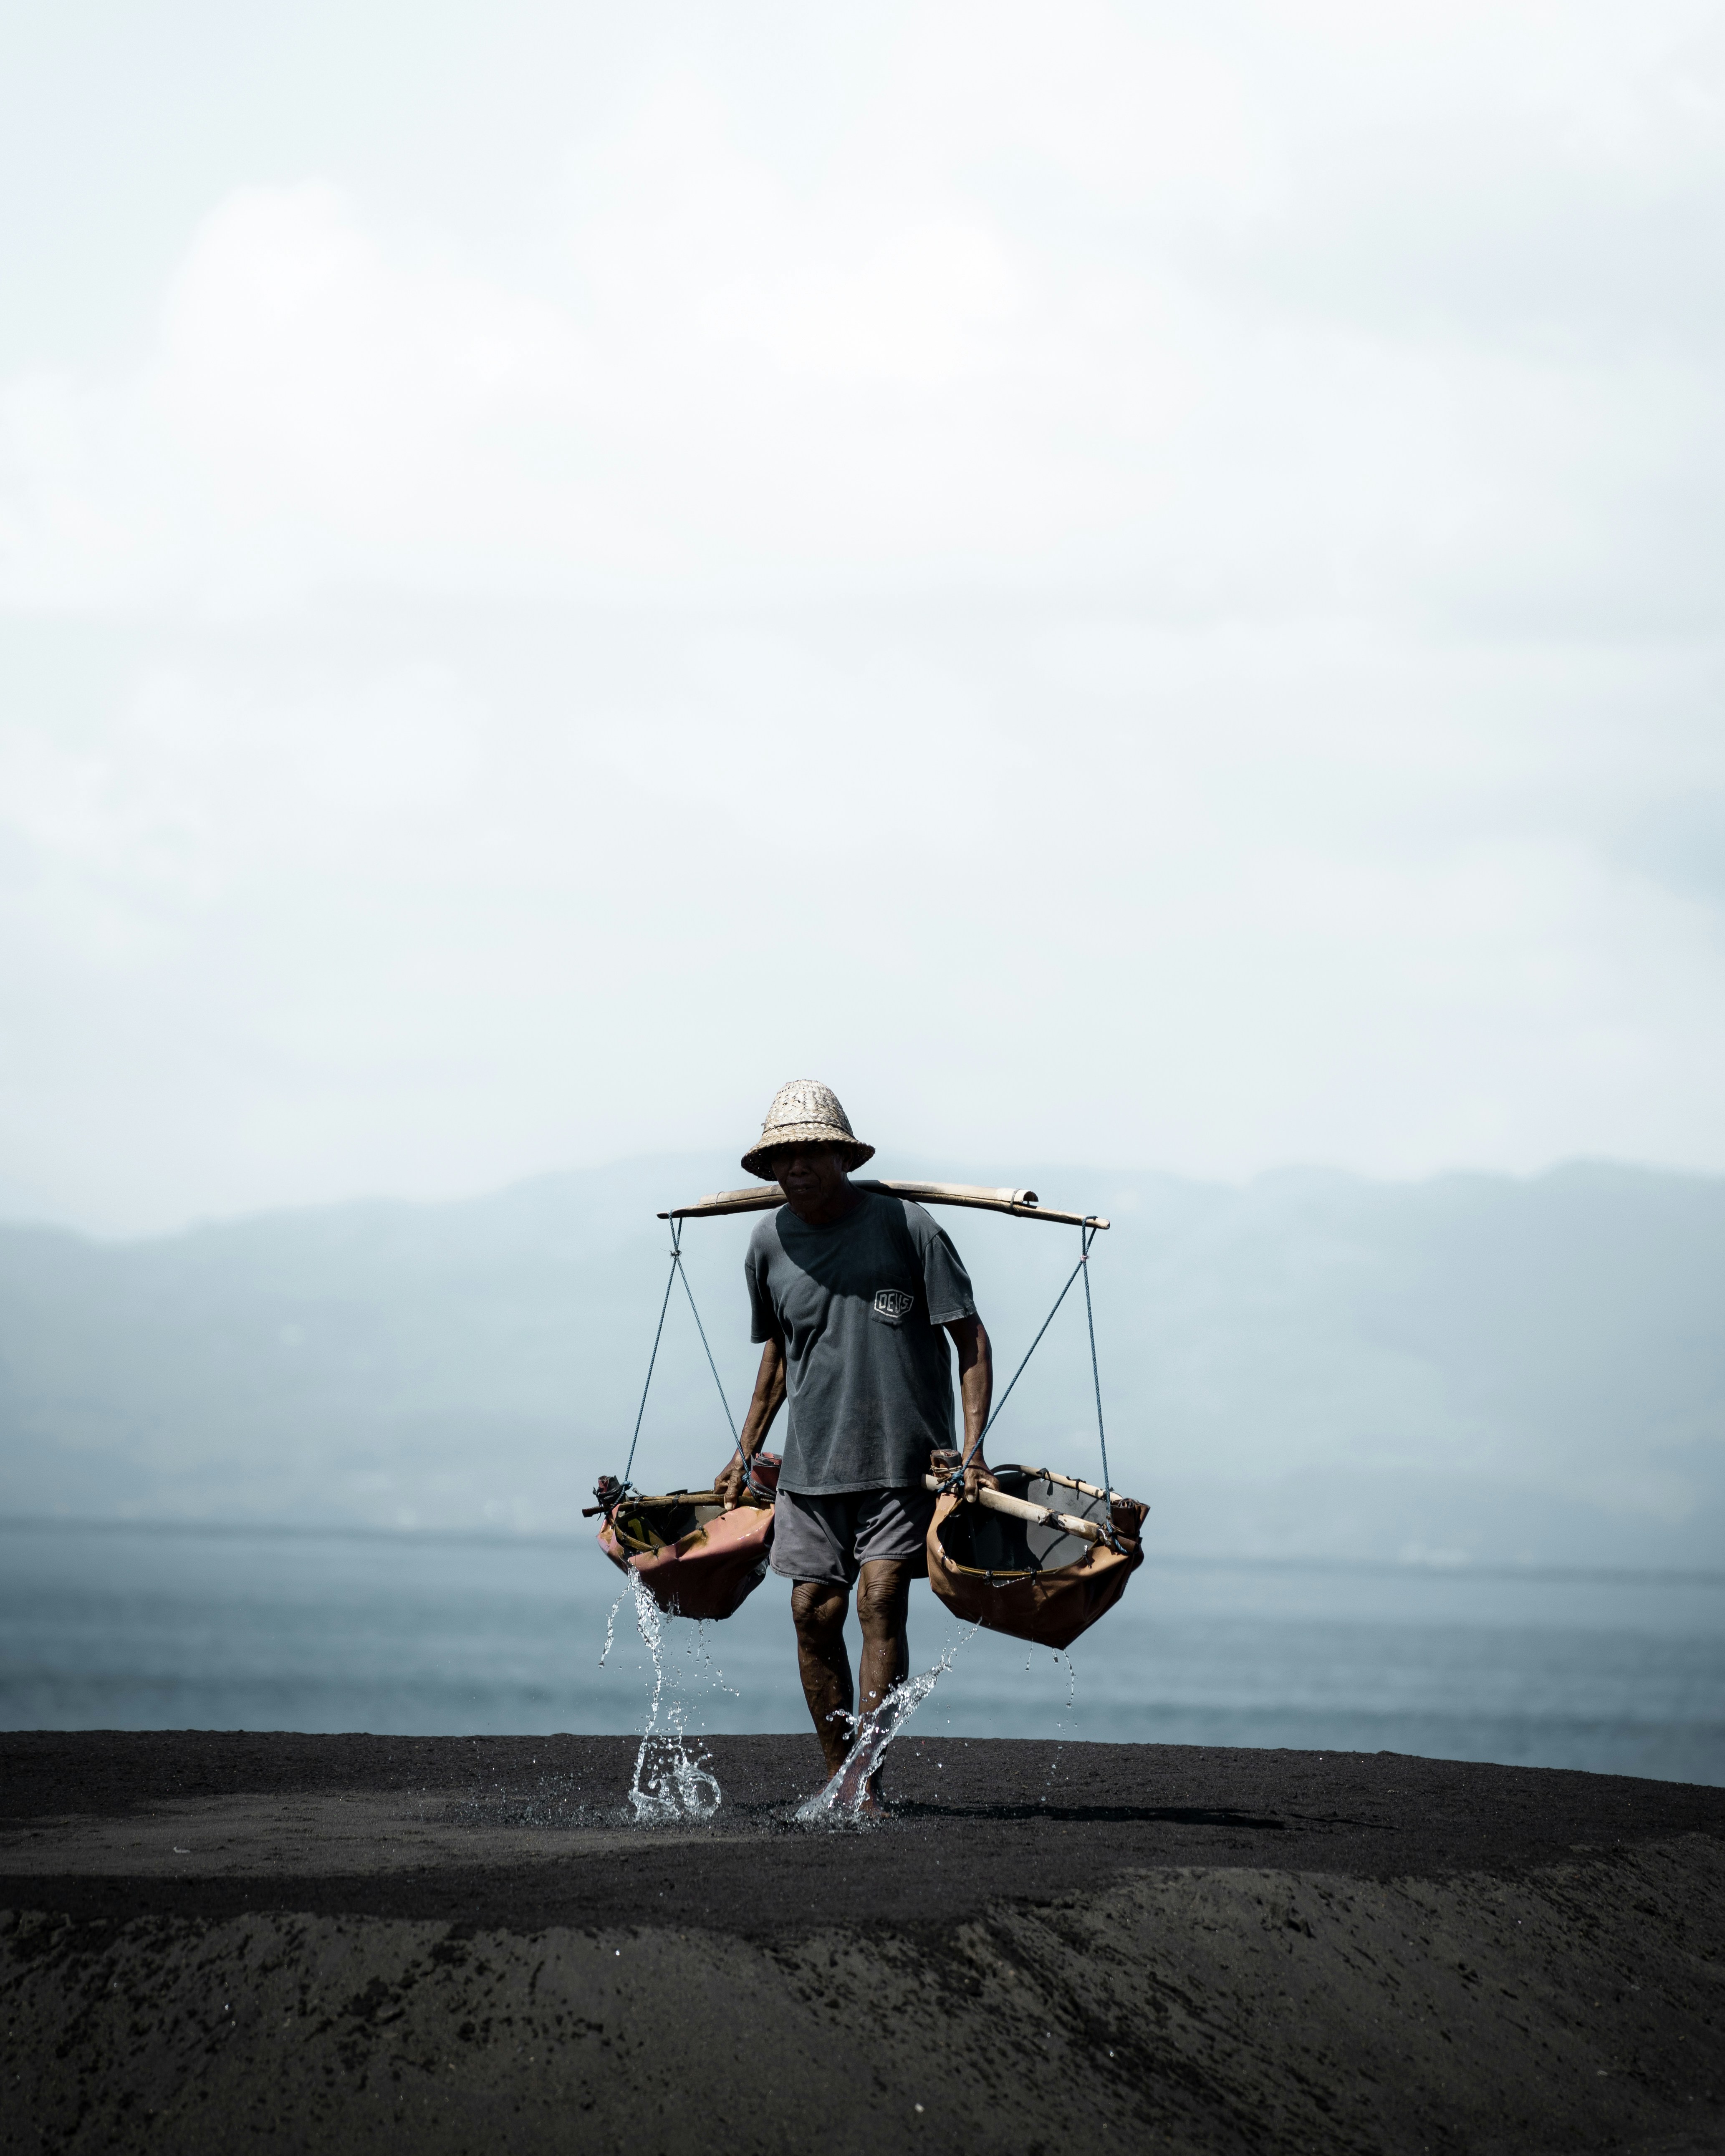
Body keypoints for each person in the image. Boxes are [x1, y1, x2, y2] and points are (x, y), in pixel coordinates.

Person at [715, 1080, 996, 1805]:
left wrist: (971, 1452)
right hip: (811, 1468)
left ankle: (864, 1781)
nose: (795, 1166)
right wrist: (745, 1451)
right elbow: (779, 1356)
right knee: (811, 1610)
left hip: (904, 1462)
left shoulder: (907, 1227)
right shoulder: (768, 1243)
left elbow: (968, 1336)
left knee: (879, 1598)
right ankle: (842, 1775)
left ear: (843, 1155)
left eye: (810, 1151)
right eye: (782, 1156)